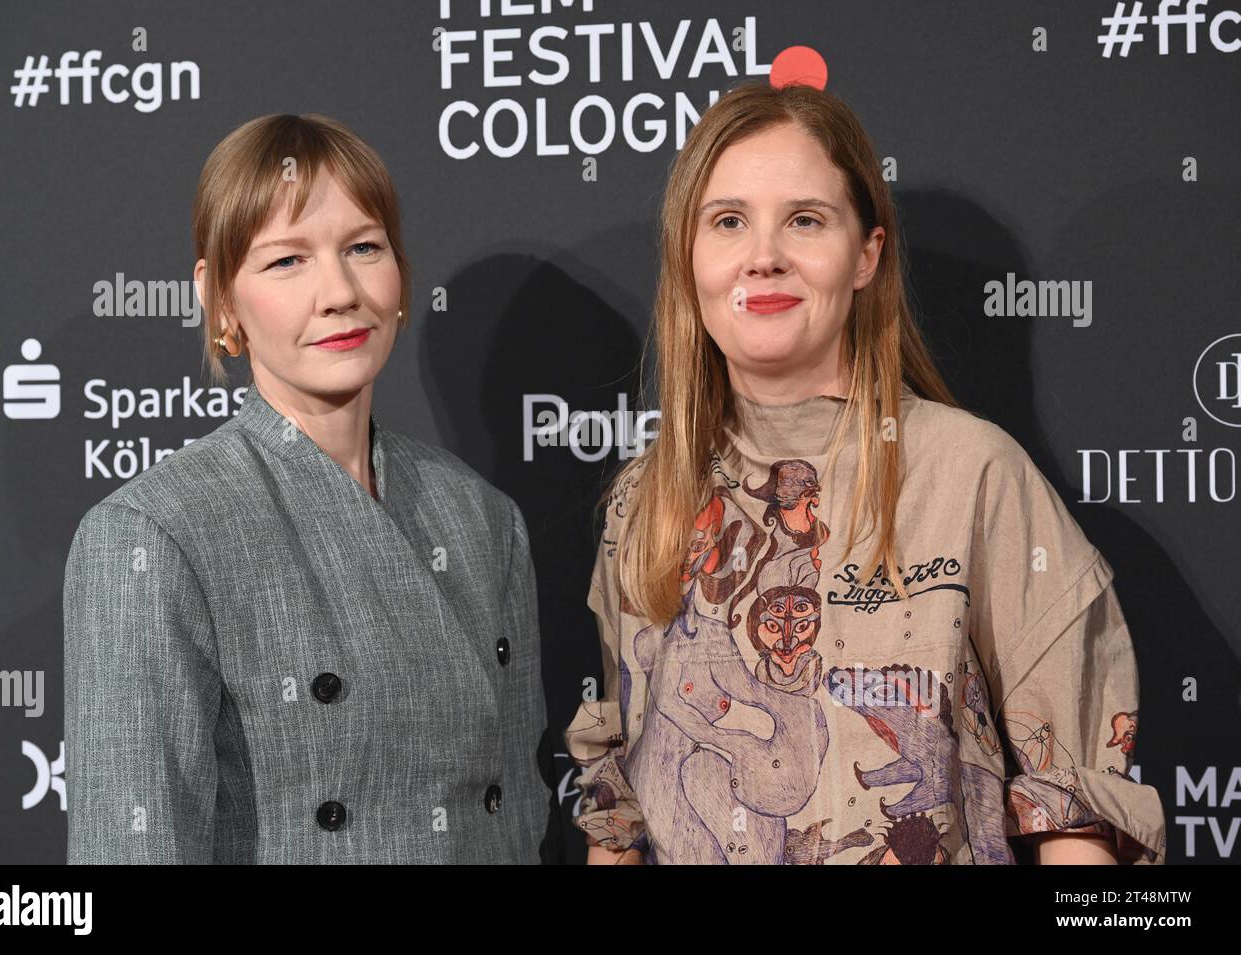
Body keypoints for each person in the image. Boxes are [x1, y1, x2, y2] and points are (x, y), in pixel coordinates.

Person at [563, 81, 1166, 865]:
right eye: (729, 221)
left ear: (866, 254)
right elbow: (623, 815)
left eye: (805, 220)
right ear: (688, 257)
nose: (765, 254)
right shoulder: (646, 502)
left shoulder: (970, 471)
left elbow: (1077, 816)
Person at [63, 113, 549, 863]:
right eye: (287, 261)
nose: (339, 292)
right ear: (221, 300)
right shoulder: (152, 534)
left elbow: (516, 815)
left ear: (399, 276)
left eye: (363, 247)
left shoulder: (484, 519)